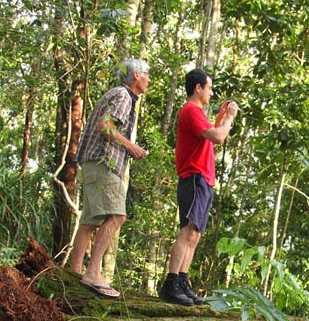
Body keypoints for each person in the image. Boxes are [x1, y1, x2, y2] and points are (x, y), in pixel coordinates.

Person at [69, 58, 149, 298]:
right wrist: (130, 146)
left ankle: (74, 273)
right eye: (147, 74)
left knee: (90, 221)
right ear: (136, 75)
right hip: (104, 163)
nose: (148, 80)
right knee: (117, 215)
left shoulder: (118, 94)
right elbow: (105, 126)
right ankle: (92, 272)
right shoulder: (124, 96)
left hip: (93, 163)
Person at [159, 68, 238, 306]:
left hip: (203, 179)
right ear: (198, 87)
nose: (212, 93)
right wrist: (230, 118)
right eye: (210, 88)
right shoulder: (190, 110)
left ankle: (182, 281)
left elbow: (209, 133)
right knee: (188, 230)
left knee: (195, 234)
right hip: (194, 176)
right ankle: (171, 283)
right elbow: (217, 137)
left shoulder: (197, 113)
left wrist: (222, 117)